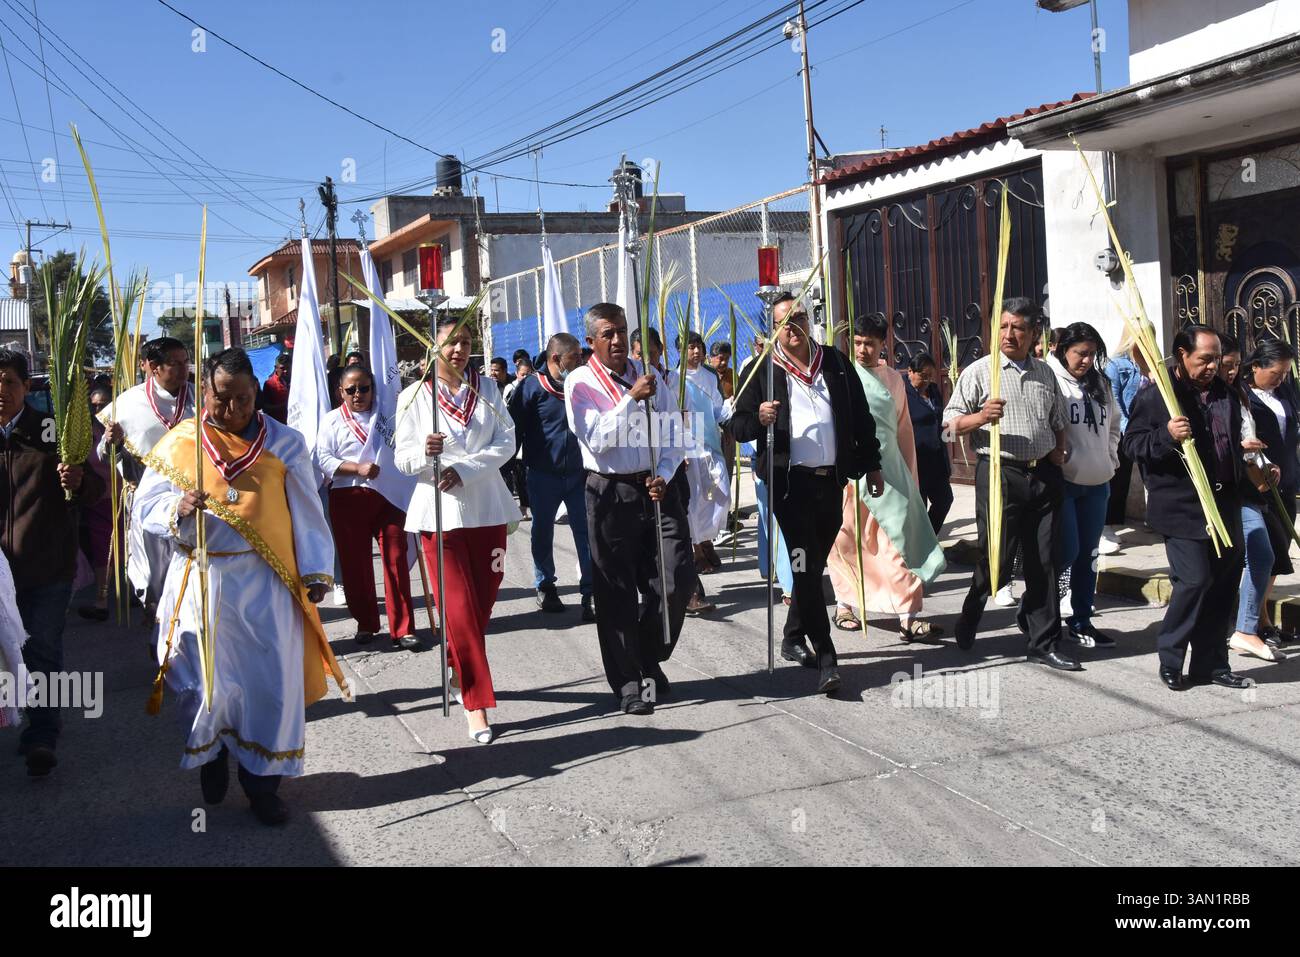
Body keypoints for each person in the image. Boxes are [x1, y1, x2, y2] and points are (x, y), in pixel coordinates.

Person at [135, 348, 348, 823]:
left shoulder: (286, 443)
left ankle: (262, 785)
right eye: (222, 399)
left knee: (268, 685)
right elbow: (144, 508)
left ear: (257, 394)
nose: (232, 411)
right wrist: (177, 508)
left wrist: (315, 571)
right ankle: (212, 754)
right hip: (201, 581)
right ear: (204, 393)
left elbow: (307, 512)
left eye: (244, 400)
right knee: (207, 684)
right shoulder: (181, 442)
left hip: (264, 583)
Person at [727, 294, 883, 694]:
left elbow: (861, 418)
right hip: (788, 487)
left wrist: (872, 464)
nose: (792, 328)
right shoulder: (762, 368)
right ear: (773, 328)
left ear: (809, 319)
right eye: (783, 322)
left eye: (798, 318)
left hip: (831, 483)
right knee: (804, 567)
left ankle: (793, 635)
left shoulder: (834, 362)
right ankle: (827, 657)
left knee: (810, 567)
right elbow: (737, 424)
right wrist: (758, 418)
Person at [396, 316, 519, 744]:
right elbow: (402, 457)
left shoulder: (487, 391)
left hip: (487, 509)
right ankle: (476, 705)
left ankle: (456, 660)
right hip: (438, 516)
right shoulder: (413, 396)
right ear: (433, 347)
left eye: (466, 342)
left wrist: (463, 469)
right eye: (450, 343)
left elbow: (507, 443)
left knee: (480, 609)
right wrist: (423, 454)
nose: (459, 350)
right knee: (461, 612)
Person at [567, 303, 694, 714]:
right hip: (610, 493)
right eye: (608, 333)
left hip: (657, 488)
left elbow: (673, 433)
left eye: (622, 331)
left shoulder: (649, 374)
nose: (619, 339)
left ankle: (646, 652)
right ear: (591, 341)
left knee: (676, 580)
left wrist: (666, 471)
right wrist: (630, 399)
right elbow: (597, 440)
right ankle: (628, 681)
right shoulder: (580, 383)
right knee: (616, 591)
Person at [943, 298, 1080, 671]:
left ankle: (1043, 642)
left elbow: (1058, 420)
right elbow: (947, 426)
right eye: (1003, 326)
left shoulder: (1046, 373)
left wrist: (1060, 449)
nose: (1009, 334)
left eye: (1018, 328)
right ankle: (972, 610)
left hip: (1044, 476)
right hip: (1001, 472)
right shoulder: (980, 372)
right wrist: (979, 417)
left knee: (1045, 560)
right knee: (997, 558)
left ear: (1034, 332)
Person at [1123, 324, 1251, 691]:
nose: (1213, 367)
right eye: (1205, 359)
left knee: (1224, 586)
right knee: (1194, 581)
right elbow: (1132, 445)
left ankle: (1211, 665)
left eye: (1217, 360)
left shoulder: (1226, 394)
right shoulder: (1158, 395)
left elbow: (1230, 442)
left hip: (1225, 503)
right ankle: (1171, 657)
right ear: (1182, 356)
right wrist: (1166, 435)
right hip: (1183, 507)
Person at [0, 349, 104, 776]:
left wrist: (78, 482)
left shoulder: (53, 432)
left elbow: (96, 488)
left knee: (41, 648)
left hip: (45, 565)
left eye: (8, 381)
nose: (0, 391)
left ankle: (42, 732)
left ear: (27, 386)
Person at [828, 316, 946, 640]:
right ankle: (845, 603)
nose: (863, 349)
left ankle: (909, 615)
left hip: (889, 471)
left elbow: (903, 428)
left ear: (882, 345)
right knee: (845, 541)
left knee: (898, 542)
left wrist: (910, 474)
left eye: (870, 343)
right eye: (858, 342)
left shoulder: (893, 380)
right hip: (849, 475)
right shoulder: (839, 374)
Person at [315, 364, 418, 649]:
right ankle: (367, 622)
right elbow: (322, 457)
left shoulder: (388, 415)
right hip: (349, 497)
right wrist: (355, 468)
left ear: (374, 389)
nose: (358, 394)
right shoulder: (331, 420)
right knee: (356, 565)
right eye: (351, 390)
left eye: (364, 388)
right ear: (341, 393)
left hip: (388, 496)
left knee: (396, 559)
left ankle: (403, 627)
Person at [98, 335, 196, 617]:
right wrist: (110, 440)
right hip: (147, 496)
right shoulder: (127, 403)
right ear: (153, 367)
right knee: (154, 573)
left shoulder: (200, 397)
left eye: (185, 362)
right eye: (175, 364)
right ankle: (156, 617)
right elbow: (104, 453)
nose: (183, 369)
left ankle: (185, 618)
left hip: (193, 497)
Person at [507, 332, 595, 621]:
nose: (581, 361)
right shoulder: (531, 387)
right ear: (556, 358)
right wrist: (506, 473)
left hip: (579, 475)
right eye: (575, 357)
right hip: (543, 475)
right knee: (542, 531)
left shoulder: (581, 384)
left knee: (586, 534)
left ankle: (590, 592)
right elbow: (513, 431)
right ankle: (545, 584)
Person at [631, 326, 714, 615]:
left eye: (651, 355)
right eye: (640, 356)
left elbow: (688, 421)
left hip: (674, 465)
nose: (647, 362)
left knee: (680, 526)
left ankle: (690, 589)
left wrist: (686, 452)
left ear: (662, 352)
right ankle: (655, 589)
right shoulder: (629, 383)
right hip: (642, 469)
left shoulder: (674, 381)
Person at [1048, 322, 1121, 648]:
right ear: (1064, 350)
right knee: (1066, 552)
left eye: (1092, 354)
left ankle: (1081, 620)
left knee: (1088, 556)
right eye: (1081, 353)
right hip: (1065, 483)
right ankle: (1039, 613)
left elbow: (1114, 424)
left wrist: (1111, 458)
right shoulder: (1051, 381)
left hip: (1098, 482)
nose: (1087, 360)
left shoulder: (1100, 384)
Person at [1230, 338, 1297, 662]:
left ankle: (1261, 618)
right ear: (1255, 367)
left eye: (1285, 373)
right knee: (1263, 553)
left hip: (1284, 482)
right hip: (1255, 486)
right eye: (1275, 373)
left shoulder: (1284, 393)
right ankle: (1250, 624)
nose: (1280, 379)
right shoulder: (1242, 397)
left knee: (1278, 554)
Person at [1100, 331, 1151, 553]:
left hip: (1148, 429)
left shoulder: (1153, 364)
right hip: (1125, 429)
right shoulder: (1117, 365)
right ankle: (1107, 525)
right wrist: (1124, 428)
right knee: (1117, 478)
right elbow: (1114, 398)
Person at [684, 331, 727, 573]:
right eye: (691, 347)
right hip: (688, 448)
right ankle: (698, 549)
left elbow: (718, 408)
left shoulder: (710, 376)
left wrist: (731, 414)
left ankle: (707, 538)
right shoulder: (675, 379)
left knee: (721, 494)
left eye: (699, 346)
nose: (697, 351)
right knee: (694, 501)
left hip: (711, 444)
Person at [903, 353, 953, 533]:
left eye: (930, 376)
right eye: (923, 376)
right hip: (915, 463)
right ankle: (921, 548)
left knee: (945, 500)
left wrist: (948, 459)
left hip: (936, 461)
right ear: (910, 371)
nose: (927, 380)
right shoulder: (901, 392)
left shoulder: (933, 391)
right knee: (919, 509)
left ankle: (929, 537)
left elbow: (942, 421)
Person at [77, 386, 115, 621]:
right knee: (103, 550)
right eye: (95, 405)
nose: (98, 409)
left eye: (103, 404)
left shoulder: (121, 427)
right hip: (99, 500)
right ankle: (101, 599)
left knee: (128, 548)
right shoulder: (87, 433)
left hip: (124, 499)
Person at [262, 352, 291, 423]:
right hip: (279, 426)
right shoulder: (269, 384)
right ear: (276, 368)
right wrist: (284, 406)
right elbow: (265, 408)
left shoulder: (295, 381)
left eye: (288, 368)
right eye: (282, 368)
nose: (286, 371)